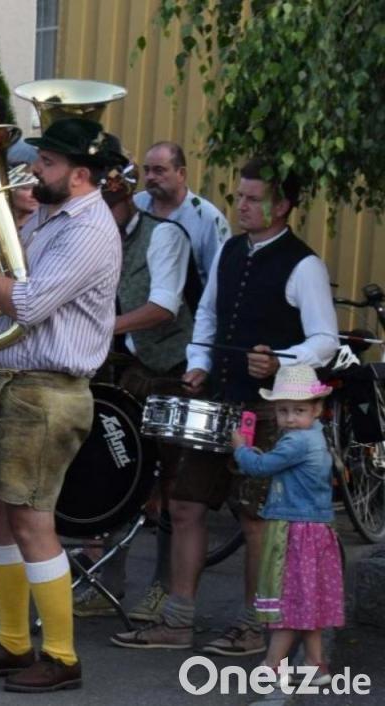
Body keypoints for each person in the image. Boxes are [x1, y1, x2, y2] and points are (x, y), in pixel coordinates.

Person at [111, 157, 338, 655]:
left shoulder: (304, 264)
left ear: (282, 206)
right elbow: (208, 317)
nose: (242, 206)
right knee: (187, 503)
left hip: (272, 411)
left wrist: (281, 363)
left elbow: (325, 339)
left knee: (255, 517)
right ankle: (178, 619)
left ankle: (255, 623)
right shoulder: (231, 250)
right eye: (239, 197)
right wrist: (197, 362)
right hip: (219, 401)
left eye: (254, 199)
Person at [0, 117, 122, 693]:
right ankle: (15, 642)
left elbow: (26, 301)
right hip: (9, 380)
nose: (33, 170)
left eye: (46, 163)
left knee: (31, 518)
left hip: (47, 389)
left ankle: (63, 657)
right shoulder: (47, 216)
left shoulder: (90, 228)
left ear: (80, 174)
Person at [72, 150, 200, 621]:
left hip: (170, 368)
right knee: (113, 470)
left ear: (121, 197)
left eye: (100, 206)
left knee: (169, 481)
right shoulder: (95, 237)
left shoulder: (163, 235)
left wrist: (102, 326)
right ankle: (104, 580)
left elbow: (164, 306)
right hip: (120, 367)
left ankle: (164, 588)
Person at [231, 365, 343, 684]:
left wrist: (240, 448)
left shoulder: (296, 443)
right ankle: (315, 663)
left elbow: (260, 467)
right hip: (316, 529)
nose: (290, 418)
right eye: (283, 411)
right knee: (308, 600)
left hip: (295, 530)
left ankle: (271, 666)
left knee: (288, 600)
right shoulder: (314, 436)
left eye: (299, 410)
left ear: (317, 409)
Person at [133, 141, 231, 286]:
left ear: (181, 174)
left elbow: (221, 280)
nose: (150, 177)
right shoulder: (135, 204)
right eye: (147, 170)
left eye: (159, 170)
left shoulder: (208, 218)